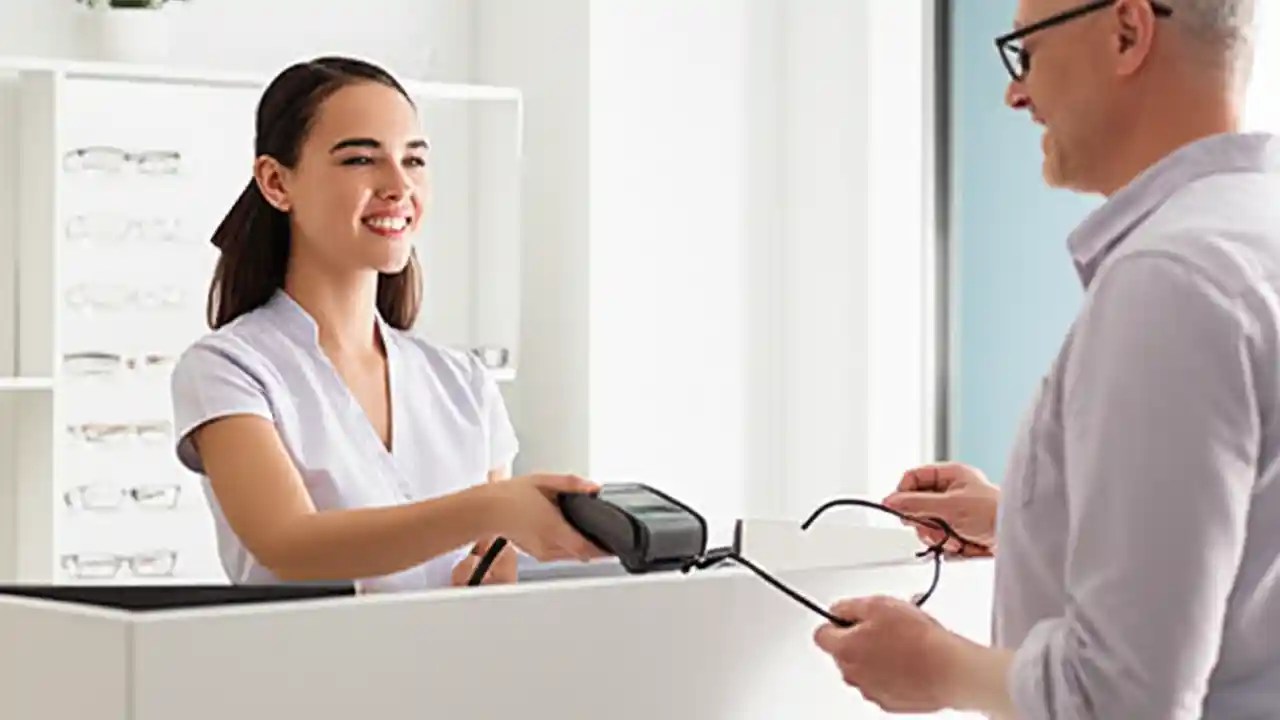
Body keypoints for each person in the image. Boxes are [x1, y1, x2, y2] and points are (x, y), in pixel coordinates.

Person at [813, 0, 1280, 717]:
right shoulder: (1255, 239)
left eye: (1025, 51)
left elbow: (1125, 699)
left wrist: (934, 667)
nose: (1015, 92)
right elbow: (1244, 543)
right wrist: (1033, 522)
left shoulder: (1170, 278)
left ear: (1127, 32)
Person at [169, 56, 603, 594]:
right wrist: (491, 508)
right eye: (359, 160)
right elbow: (288, 544)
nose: (399, 185)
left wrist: (503, 568)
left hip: (451, 674)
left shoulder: (463, 382)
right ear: (276, 182)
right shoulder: (228, 368)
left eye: (415, 161)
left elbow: (489, 564)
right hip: (296, 677)